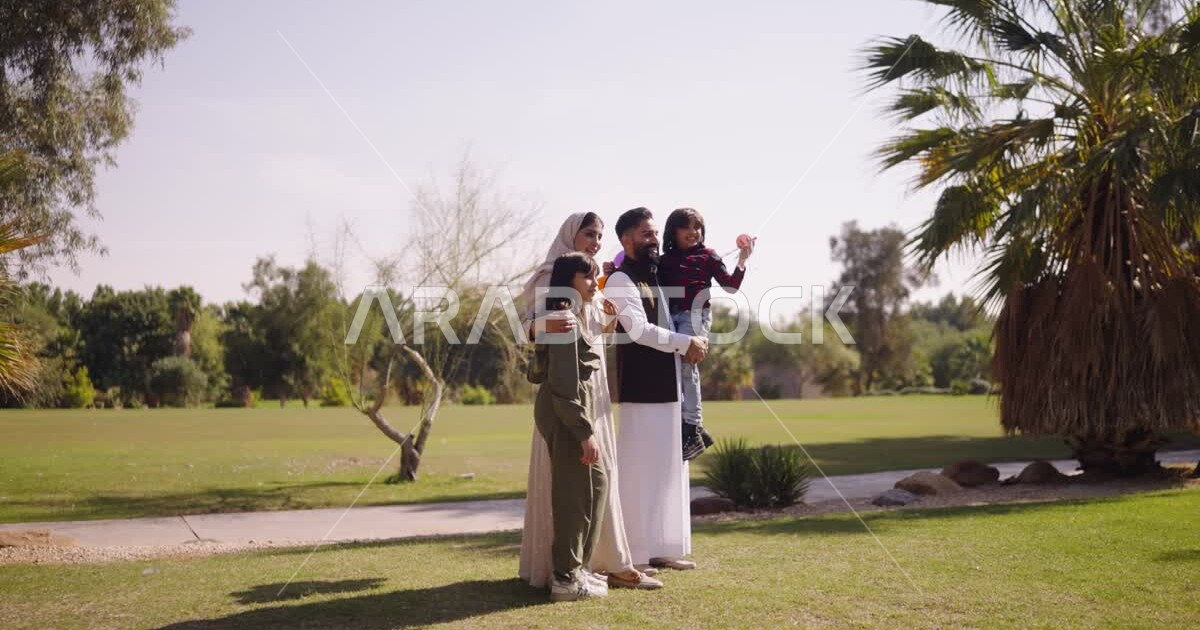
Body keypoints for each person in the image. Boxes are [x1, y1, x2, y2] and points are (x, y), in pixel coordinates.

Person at [518, 212, 662, 591]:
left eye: (599, 236)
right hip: (565, 388)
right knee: (571, 482)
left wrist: (608, 318)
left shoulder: (590, 277)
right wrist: (542, 325)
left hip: (593, 385)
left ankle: (607, 562)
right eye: (589, 234)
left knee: (598, 475)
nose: (596, 242)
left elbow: (596, 331)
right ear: (571, 234)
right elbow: (526, 326)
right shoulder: (552, 275)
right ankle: (564, 571)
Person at [603, 207, 708, 571]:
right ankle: (635, 553)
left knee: (667, 471)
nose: (653, 239)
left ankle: (662, 548)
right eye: (645, 234)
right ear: (626, 239)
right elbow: (638, 331)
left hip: (670, 387)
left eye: (653, 233)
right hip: (641, 388)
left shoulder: (656, 274)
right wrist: (686, 342)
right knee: (640, 473)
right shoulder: (620, 280)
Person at [529, 252, 609, 601]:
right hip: (566, 412)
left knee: (596, 484)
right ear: (568, 281)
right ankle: (565, 579)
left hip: (572, 410)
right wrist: (584, 432)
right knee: (573, 496)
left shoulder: (570, 317)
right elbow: (563, 388)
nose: (594, 284)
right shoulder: (565, 321)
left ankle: (577, 569)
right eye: (587, 276)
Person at [659, 207, 754, 460]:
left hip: (696, 315)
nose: (693, 232)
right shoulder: (663, 260)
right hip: (669, 316)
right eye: (686, 227)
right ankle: (690, 424)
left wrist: (742, 260)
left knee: (687, 364)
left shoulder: (709, 255)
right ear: (673, 231)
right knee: (673, 367)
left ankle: (693, 426)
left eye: (697, 227)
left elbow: (730, 287)